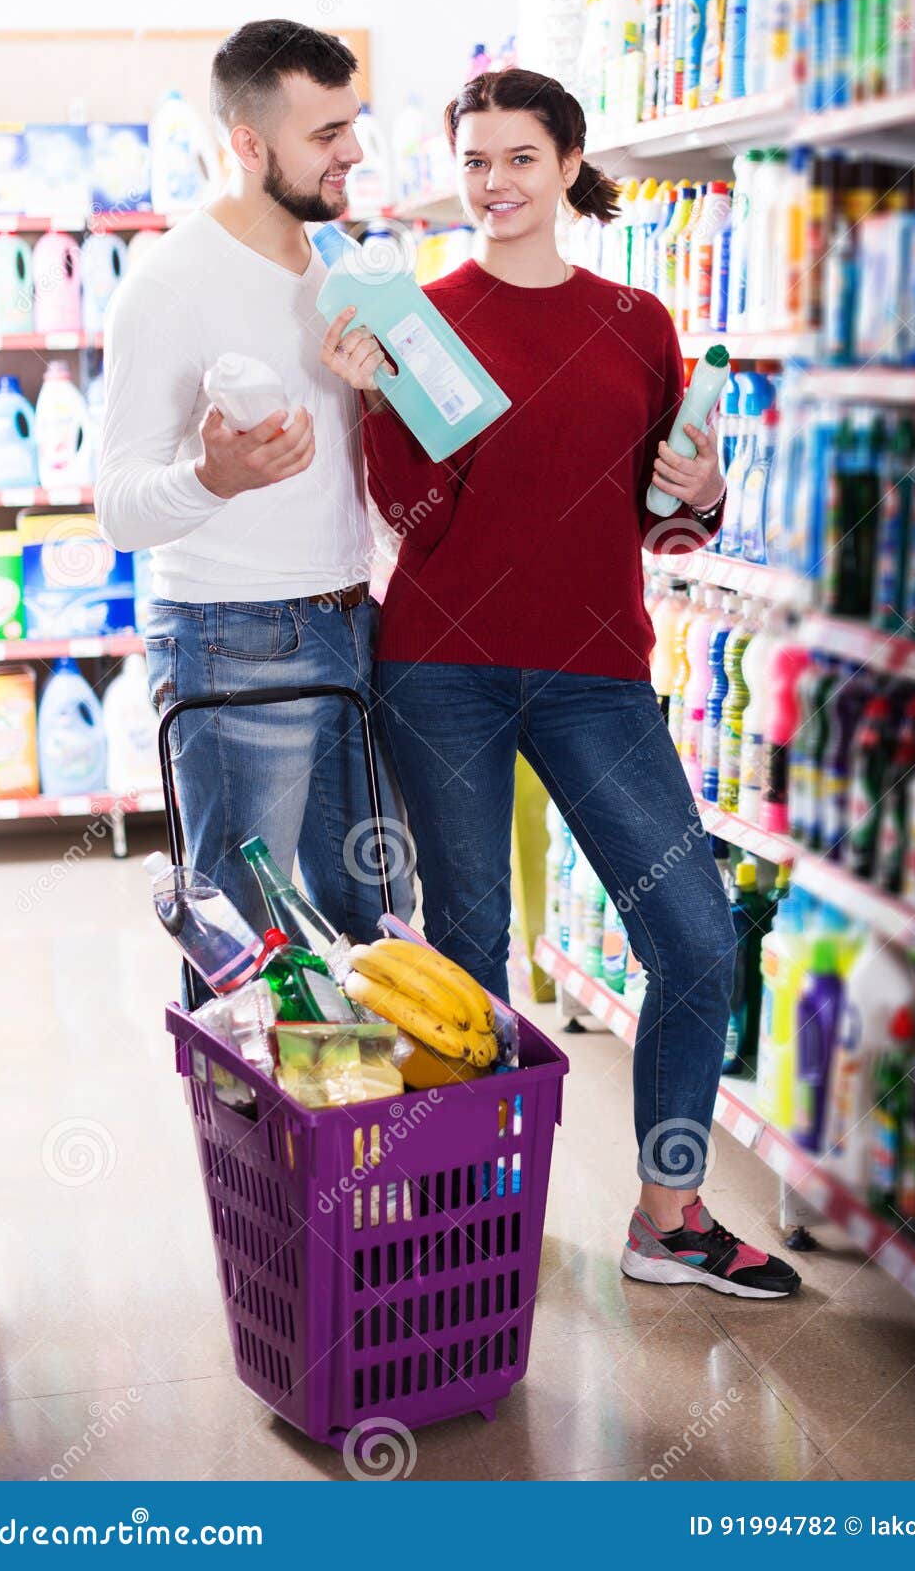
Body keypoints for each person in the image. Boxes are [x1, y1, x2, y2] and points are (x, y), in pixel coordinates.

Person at [320, 67, 800, 1299]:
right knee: (469, 955)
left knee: (693, 937)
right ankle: (472, 1218)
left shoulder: (636, 321)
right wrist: (376, 397)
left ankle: (669, 1216)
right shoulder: (420, 317)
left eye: (520, 158)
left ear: (568, 161)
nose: (495, 185)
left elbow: (669, 523)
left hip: (598, 672)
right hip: (441, 667)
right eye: (475, 161)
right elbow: (407, 518)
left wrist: (698, 494)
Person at [96, 18, 412, 977]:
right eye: (326, 135)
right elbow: (116, 506)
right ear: (246, 144)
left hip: (351, 621)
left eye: (352, 124)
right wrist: (212, 477)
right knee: (244, 941)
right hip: (233, 638)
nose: (353, 150)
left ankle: (357, 1128)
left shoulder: (339, 268)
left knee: (380, 921)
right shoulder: (169, 286)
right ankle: (242, 1129)